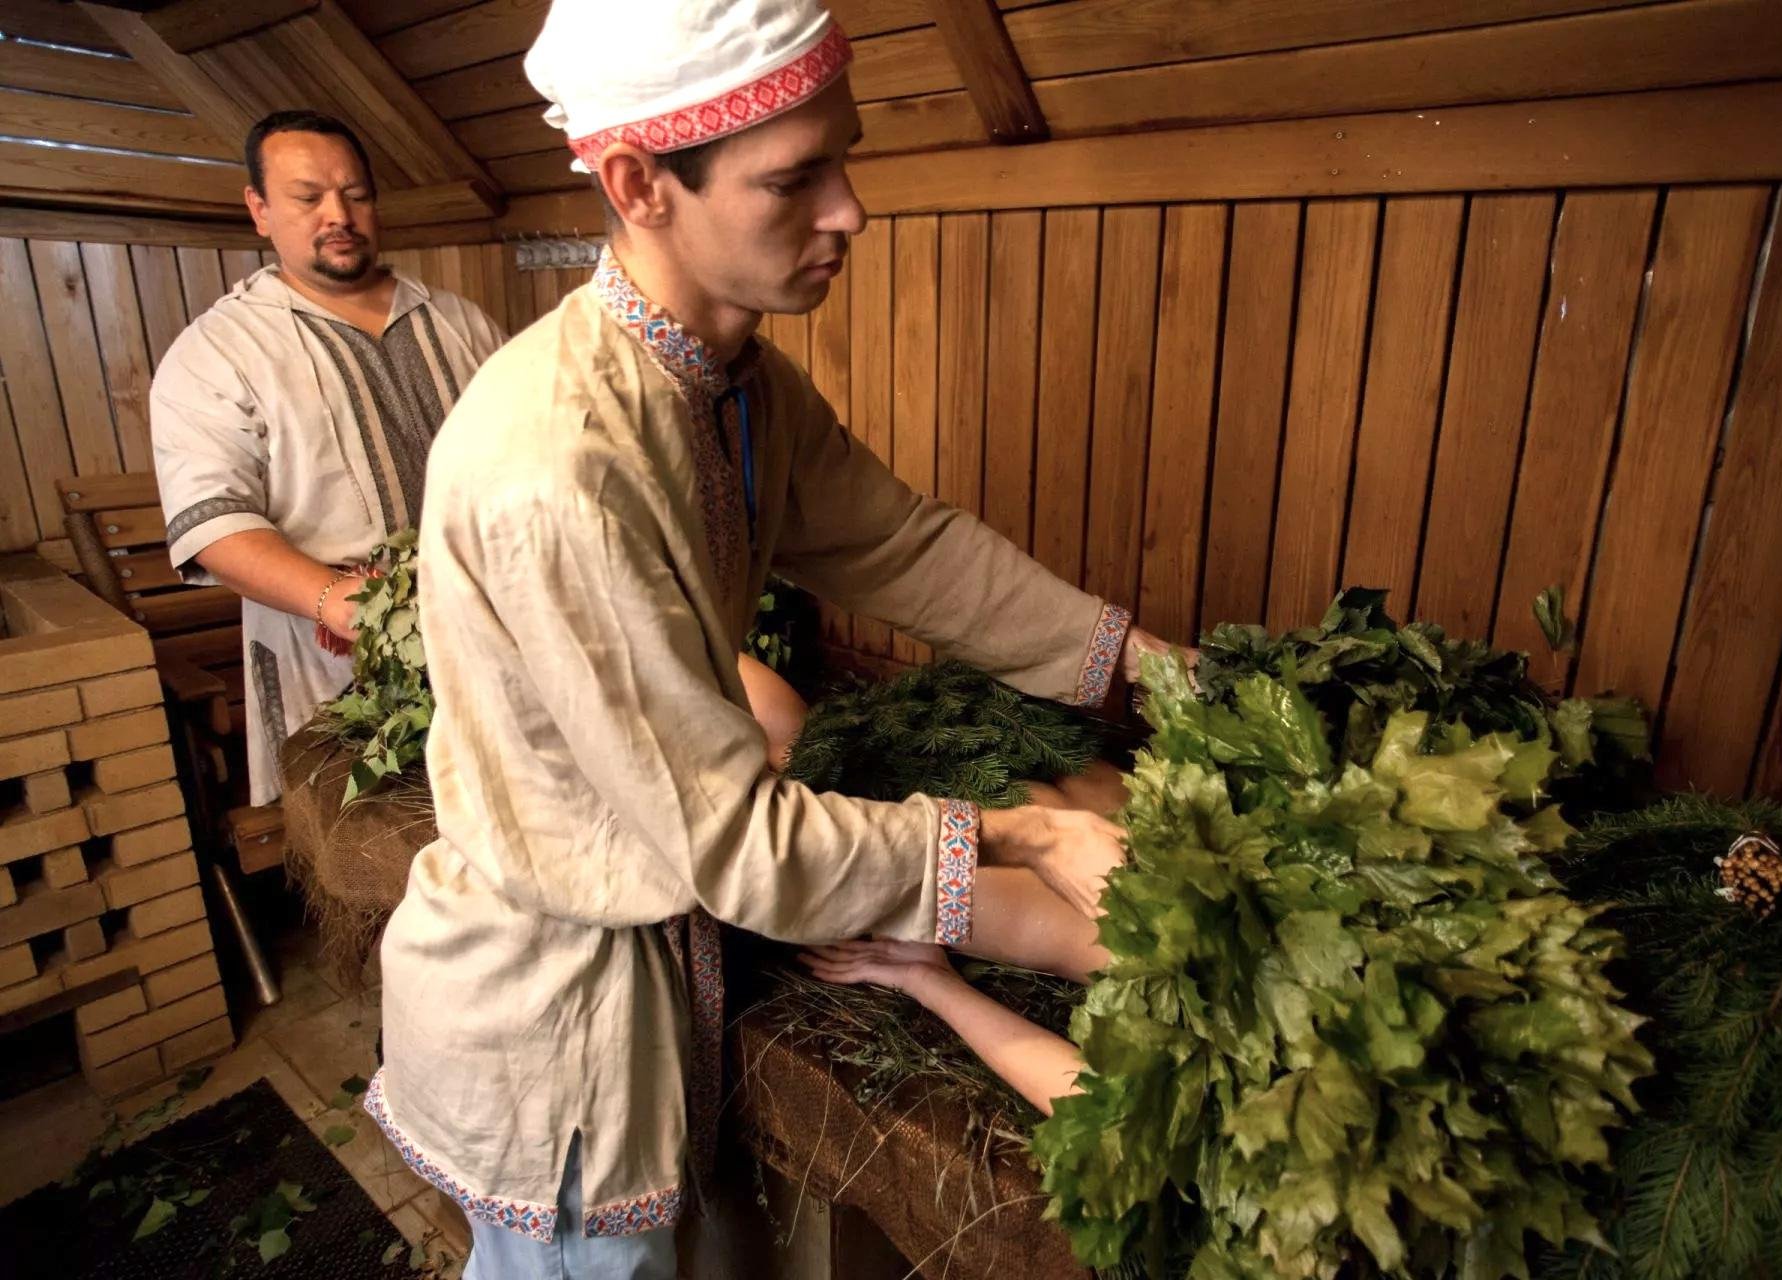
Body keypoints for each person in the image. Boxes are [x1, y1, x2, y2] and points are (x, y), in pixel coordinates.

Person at [363, 4, 1185, 1276]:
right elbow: (738, 845)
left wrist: (1145, 662)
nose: (850, 209)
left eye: (842, 160)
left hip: (663, 964)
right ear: (642, 183)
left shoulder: (733, 380)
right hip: (562, 1023)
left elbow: (901, 546)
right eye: (796, 178)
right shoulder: (562, 462)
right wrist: (1032, 832)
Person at [150, 110, 507, 805]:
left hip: (493, 634)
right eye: (307, 197)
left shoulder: (463, 325)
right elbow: (214, 525)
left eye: (356, 194)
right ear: (259, 209)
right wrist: (338, 602)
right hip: (334, 664)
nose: (337, 214)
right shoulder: (219, 353)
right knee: (383, 861)